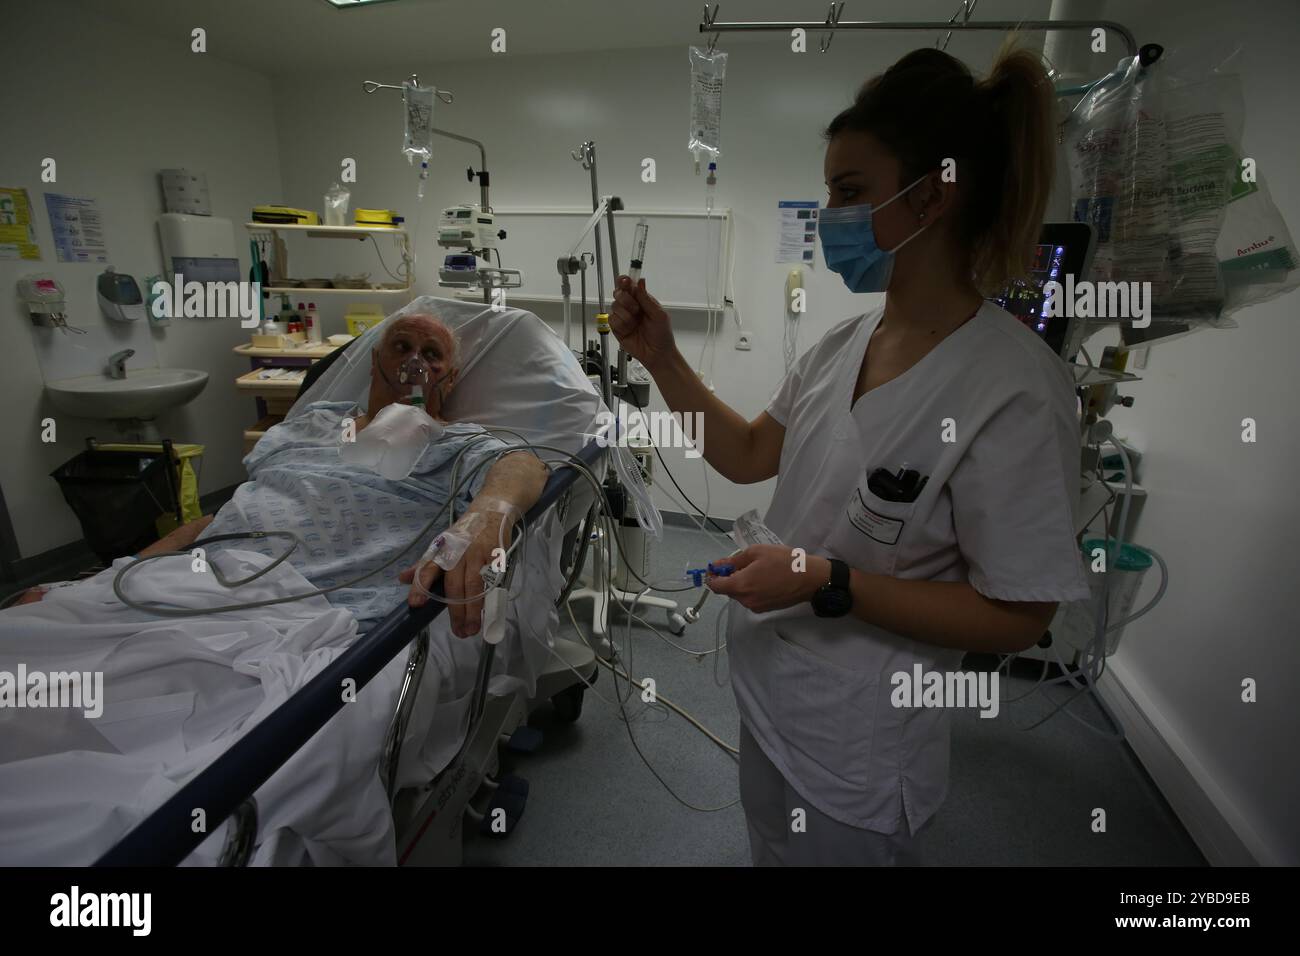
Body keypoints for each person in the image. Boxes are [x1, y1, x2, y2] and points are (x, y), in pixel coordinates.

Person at [611, 45, 1092, 865]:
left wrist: (826, 581)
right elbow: (750, 453)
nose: (828, 214)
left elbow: (1020, 616)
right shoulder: (845, 342)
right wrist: (662, 358)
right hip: (769, 700)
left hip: (861, 746)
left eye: (851, 192)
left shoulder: (1012, 387)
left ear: (933, 195)